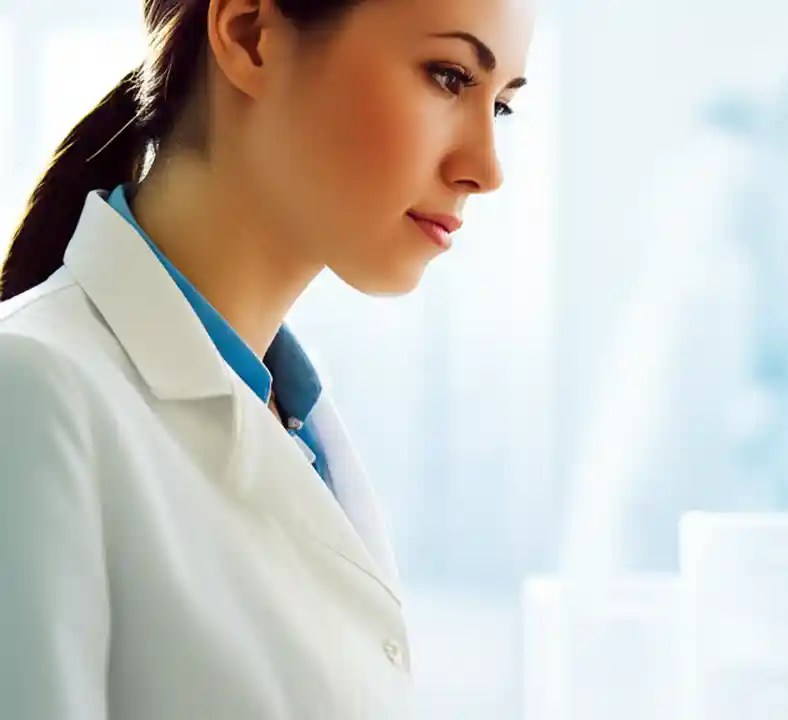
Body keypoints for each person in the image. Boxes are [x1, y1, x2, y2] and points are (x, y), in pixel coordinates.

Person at [0, 0, 532, 716]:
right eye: (448, 76)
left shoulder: (300, 424)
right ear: (251, 37)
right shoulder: (32, 393)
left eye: (498, 107)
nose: (486, 169)